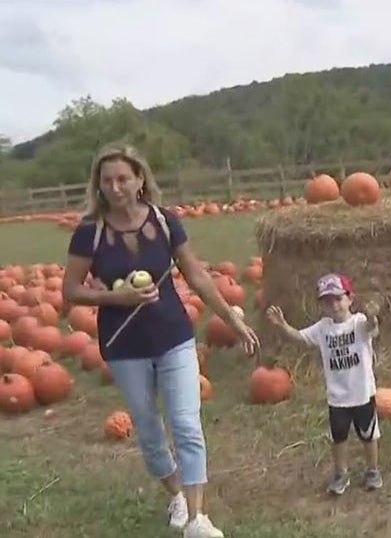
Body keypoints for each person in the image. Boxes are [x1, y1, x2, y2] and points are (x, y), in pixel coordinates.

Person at [62, 143, 260, 538]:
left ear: (140, 180)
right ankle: (177, 494)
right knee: (150, 431)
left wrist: (232, 321)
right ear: (98, 186)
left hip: (173, 336)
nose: (116, 187)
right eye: (107, 180)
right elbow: (70, 290)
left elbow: (198, 275)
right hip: (124, 346)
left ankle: (198, 519)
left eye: (123, 178)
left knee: (186, 422)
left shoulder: (165, 221)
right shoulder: (90, 232)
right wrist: (114, 298)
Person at [265, 273, 382, 495]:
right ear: (323, 305)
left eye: (339, 299)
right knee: (338, 438)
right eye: (328, 301)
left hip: (362, 393)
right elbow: (299, 337)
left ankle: (372, 470)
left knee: (368, 434)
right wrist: (282, 326)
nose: (335, 305)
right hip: (337, 397)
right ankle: (341, 474)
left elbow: (372, 326)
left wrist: (372, 314)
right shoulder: (323, 328)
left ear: (350, 299)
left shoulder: (358, 323)